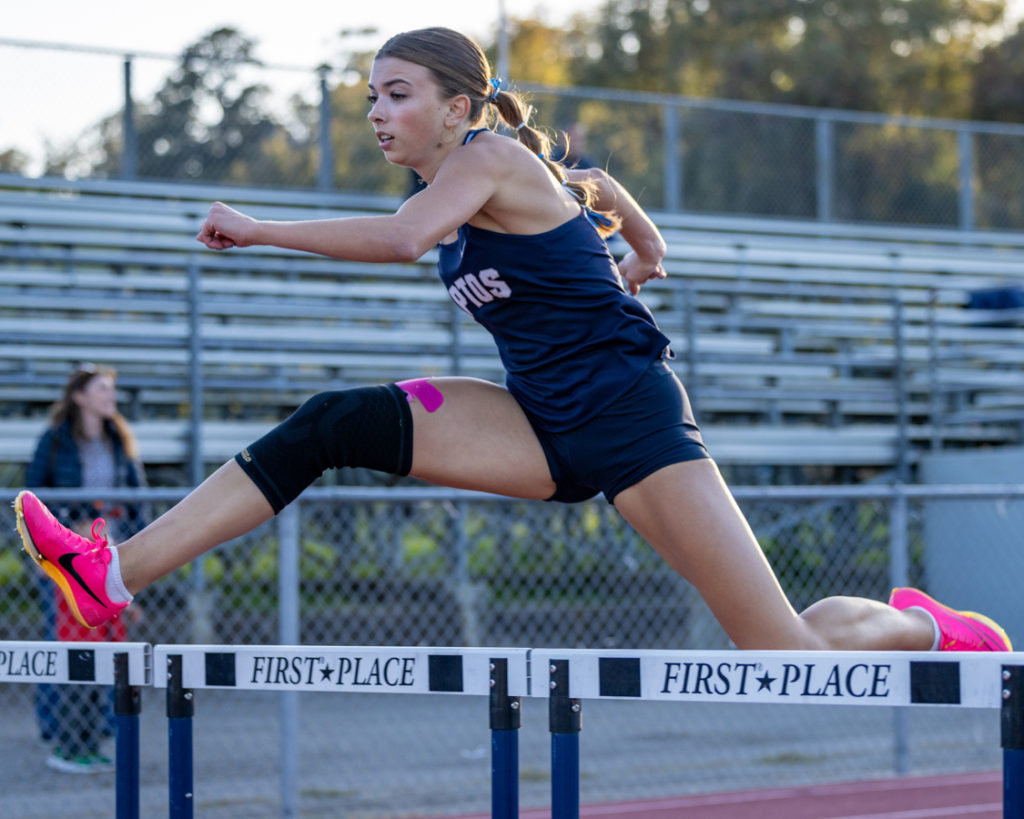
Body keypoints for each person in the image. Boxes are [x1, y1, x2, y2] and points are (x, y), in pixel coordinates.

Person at [13, 27, 1011, 656]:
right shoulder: (496, 172)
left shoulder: (485, 159)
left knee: (785, 655)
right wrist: (643, 250)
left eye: (395, 92)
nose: (376, 112)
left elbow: (406, 241)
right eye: (368, 96)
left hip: (627, 417)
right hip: (537, 420)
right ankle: (111, 576)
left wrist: (261, 227)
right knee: (334, 423)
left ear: (458, 105)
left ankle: (928, 626)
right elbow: (599, 191)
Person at [24, 364, 147, 773]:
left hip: (109, 558)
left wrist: (138, 557)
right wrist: (69, 520)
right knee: (65, 646)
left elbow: (136, 504)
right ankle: (60, 734)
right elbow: (33, 497)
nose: (110, 397)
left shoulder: (119, 440)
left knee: (106, 651)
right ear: (79, 397)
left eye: (111, 390)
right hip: (66, 563)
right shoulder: (55, 441)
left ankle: (93, 736)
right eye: (102, 390)